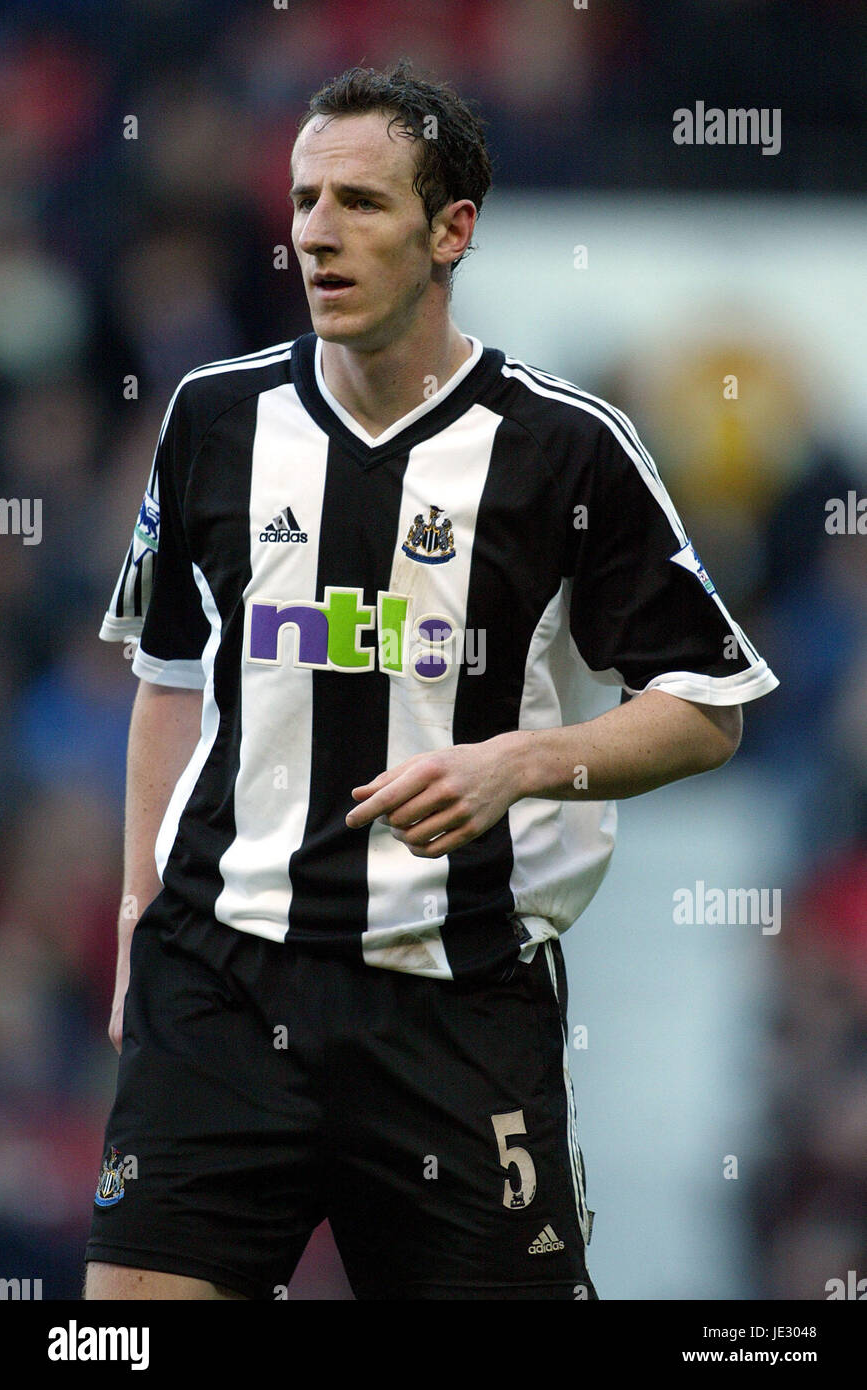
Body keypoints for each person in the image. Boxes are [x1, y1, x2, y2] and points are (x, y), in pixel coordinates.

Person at [84, 59, 778, 1301]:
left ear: (451, 228)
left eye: (358, 202)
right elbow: (171, 676)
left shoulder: (562, 448)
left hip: (453, 997)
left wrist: (517, 762)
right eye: (301, 202)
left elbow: (707, 709)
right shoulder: (211, 419)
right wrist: (139, 918)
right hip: (224, 980)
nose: (314, 234)